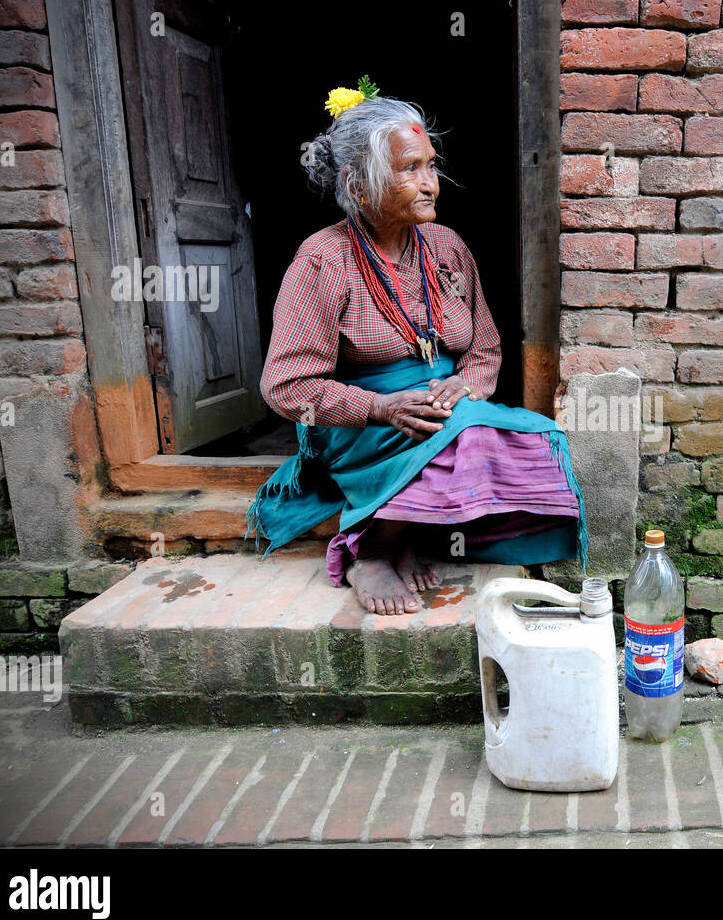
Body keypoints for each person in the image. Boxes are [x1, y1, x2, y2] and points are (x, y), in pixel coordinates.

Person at [246, 81, 587, 615]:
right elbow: (287, 387)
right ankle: (373, 551)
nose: (430, 183)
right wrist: (381, 407)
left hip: (444, 413)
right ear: (359, 187)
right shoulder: (322, 260)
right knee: (465, 437)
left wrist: (465, 386)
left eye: (431, 166)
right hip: (365, 431)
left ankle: (409, 532)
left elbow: (485, 349)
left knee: (507, 437)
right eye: (410, 169)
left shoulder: (448, 248)